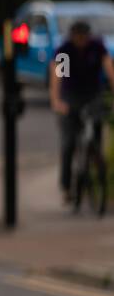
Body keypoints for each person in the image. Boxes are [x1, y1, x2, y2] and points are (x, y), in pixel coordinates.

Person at [48, 20, 114, 202]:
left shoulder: (96, 47)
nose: (81, 40)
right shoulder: (65, 50)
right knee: (68, 143)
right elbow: (58, 77)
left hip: (93, 95)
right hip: (71, 95)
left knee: (96, 137)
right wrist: (56, 101)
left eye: (84, 37)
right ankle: (67, 187)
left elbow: (109, 69)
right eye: (78, 37)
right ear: (72, 36)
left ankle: (96, 171)